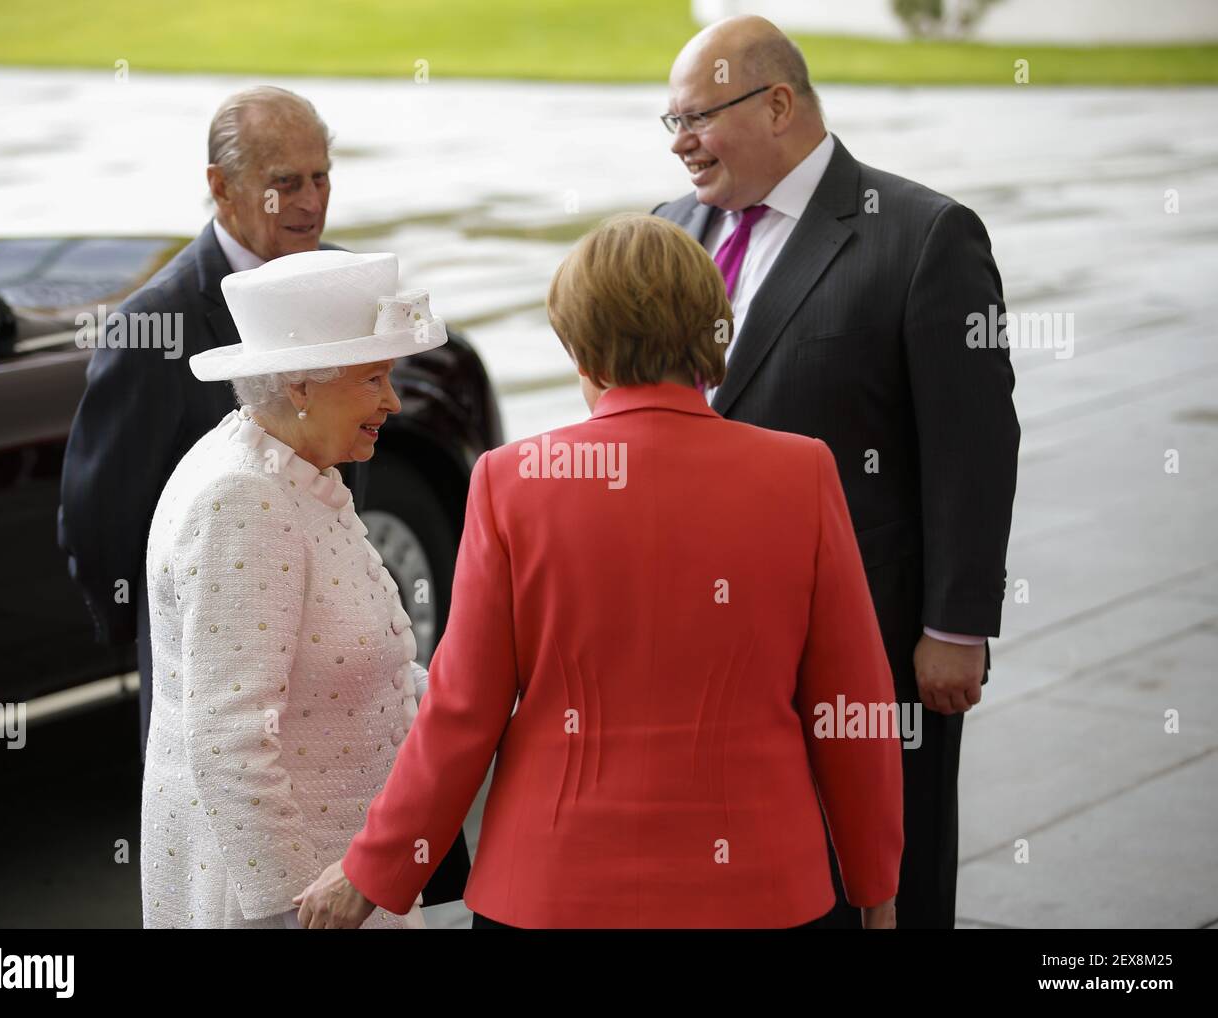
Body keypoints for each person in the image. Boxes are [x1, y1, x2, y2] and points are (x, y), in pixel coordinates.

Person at [294, 214, 903, 929]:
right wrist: (875, 887)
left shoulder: (513, 480)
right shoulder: (802, 473)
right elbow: (853, 707)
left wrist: (372, 872)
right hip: (760, 889)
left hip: (553, 890)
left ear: (585, 349)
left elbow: (462, 715)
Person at [652, 16, 1020, 928]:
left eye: (697, 117)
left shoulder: (923, 237)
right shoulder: (668, 232)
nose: (682, 144)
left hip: (873, 638)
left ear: (778, 103)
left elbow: (974, 445)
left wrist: (956, 625)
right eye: (669, 123)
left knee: (889, 870)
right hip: (709, 636)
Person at [141, 250, 445, 928]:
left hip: (344, 877)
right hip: (298, 900)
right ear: (301, 386)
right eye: (374, 378)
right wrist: (296, 906)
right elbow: (226, 739)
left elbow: (353, 668)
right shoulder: (244, 500)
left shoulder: (285, 465)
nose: (392, 400)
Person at [58, 86, 351, 762]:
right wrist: (164, 630)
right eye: (286, 183)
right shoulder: (151, 327)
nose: (311, 201)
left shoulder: (341, 280)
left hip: (335, 671)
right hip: (215, 690)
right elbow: (97, 522)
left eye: (321, 176)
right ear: (222, 188)